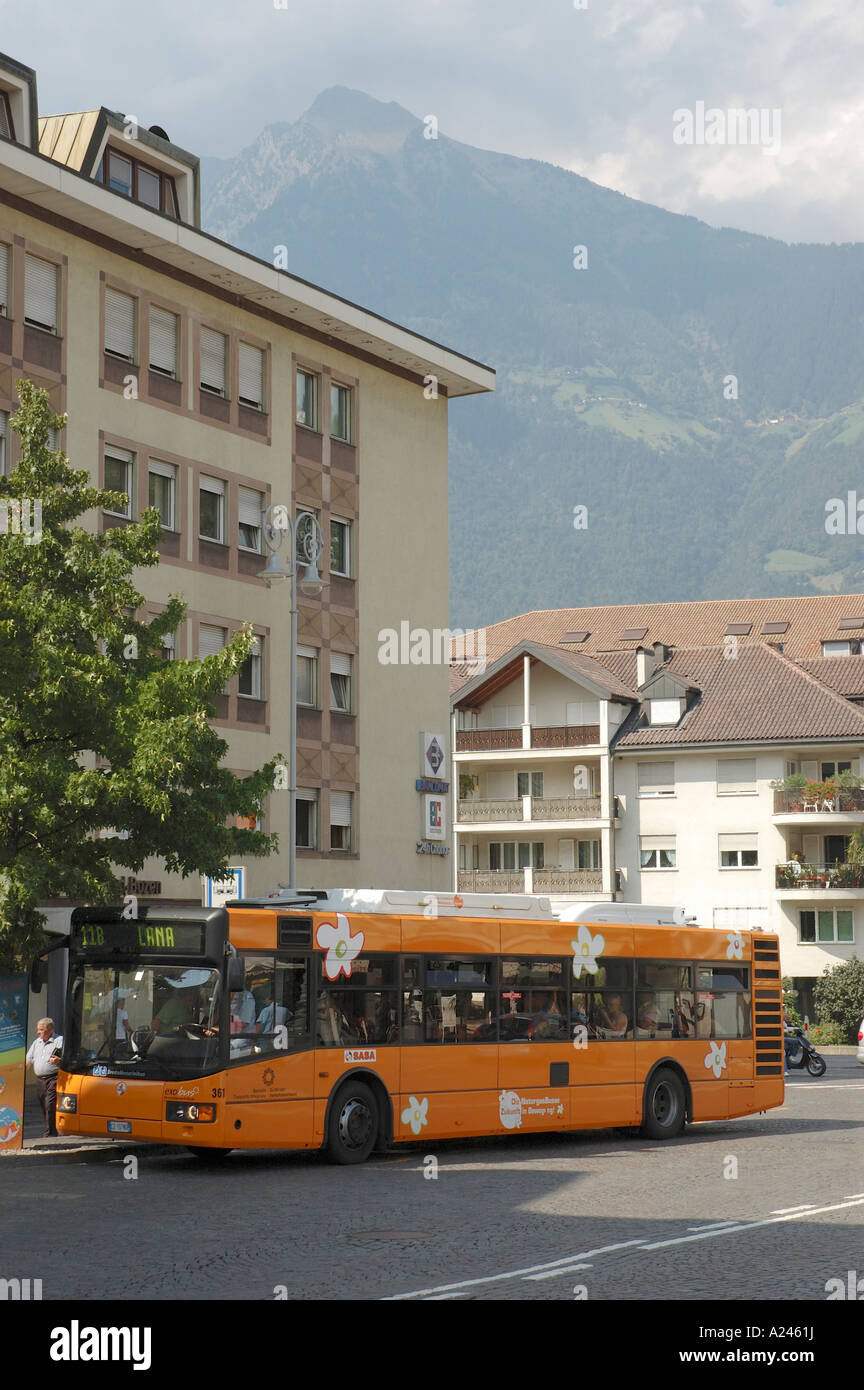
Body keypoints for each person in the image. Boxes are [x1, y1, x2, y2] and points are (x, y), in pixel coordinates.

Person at [26, 1017, 63, 1137]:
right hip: (40, 1080)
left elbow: (61, 1059)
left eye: (41, 1030)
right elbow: (28, 1060)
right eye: (38, 1029)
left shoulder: (59, 1040)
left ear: (50, 1030)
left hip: (53, 1077)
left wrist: (59, 1060)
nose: (38, 1032)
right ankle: (52, 1127)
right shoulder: (37, 1042)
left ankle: (50, 1132)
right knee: (43, 1104)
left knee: (50, 1104)